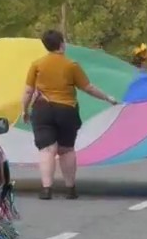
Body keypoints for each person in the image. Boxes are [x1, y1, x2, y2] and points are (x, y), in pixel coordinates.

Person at [21, 29, 118, 200]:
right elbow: (88, 87)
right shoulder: (71, 65)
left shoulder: (36, 65)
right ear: (62, 44)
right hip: (66, 110)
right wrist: (107, 98)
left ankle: (46, 189)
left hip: (42, 109)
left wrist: (24, 110)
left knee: (46, 149)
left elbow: (28, 91)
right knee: (66, 150)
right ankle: (70, 188)